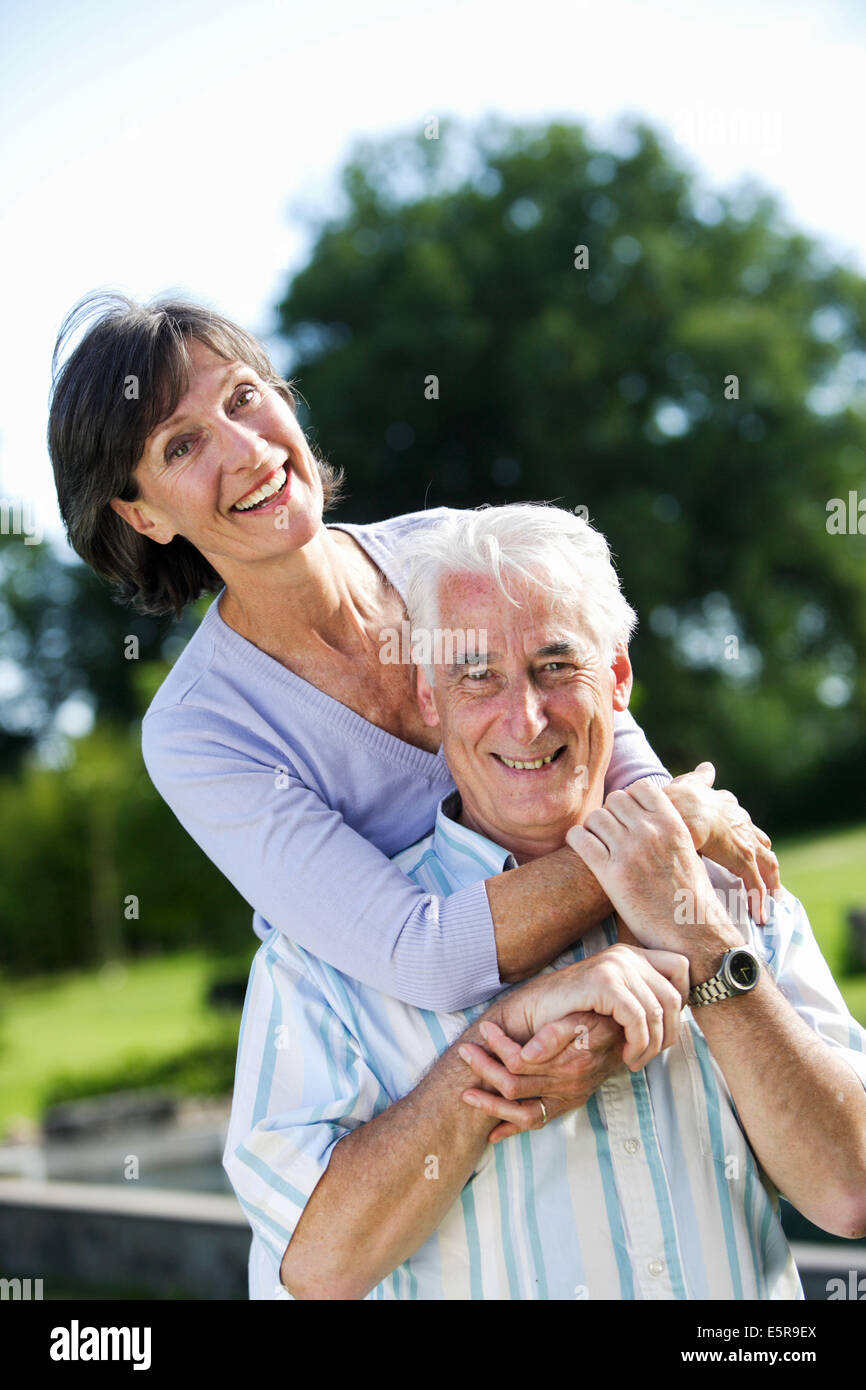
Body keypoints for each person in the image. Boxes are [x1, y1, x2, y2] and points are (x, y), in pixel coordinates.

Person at [48, 292, 779, 1022]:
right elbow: (422, 957)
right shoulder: (200, 730)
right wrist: (672, 821)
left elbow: (623, 773)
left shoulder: (456, 553)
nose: (245, 450)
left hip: (626, 981)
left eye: (243, 399)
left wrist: (667, 839)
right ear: (142, 514)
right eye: (182, 445)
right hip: (426, 1060)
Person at [224, 504, 866, 1300]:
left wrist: (698, 943)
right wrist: (497, 1048)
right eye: (476, 675)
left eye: (557, 666)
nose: (524, 719)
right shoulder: (325, 956)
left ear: (620, 680)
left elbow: (850, 1189)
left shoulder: (731, 886)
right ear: (430, 699)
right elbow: (318, 1265)